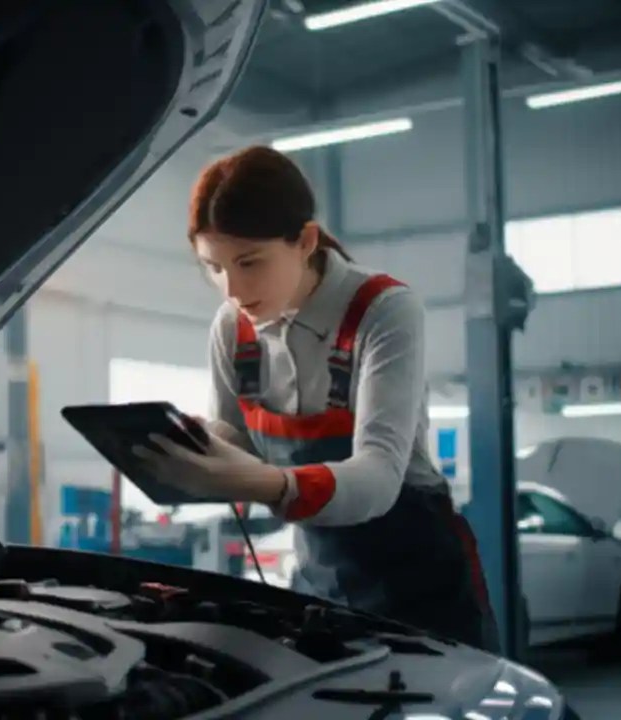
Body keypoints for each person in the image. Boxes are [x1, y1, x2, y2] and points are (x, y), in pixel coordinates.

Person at [132, 145, 499, 652]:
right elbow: (234, 433)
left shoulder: (384, 311)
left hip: (424, 589)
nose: (232, 289)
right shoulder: (232, 328)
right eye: (213, 267)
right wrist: (198, 441)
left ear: (304, 241)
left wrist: (262, 482)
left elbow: (377, 477)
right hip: (318, 585)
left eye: (249, 262)